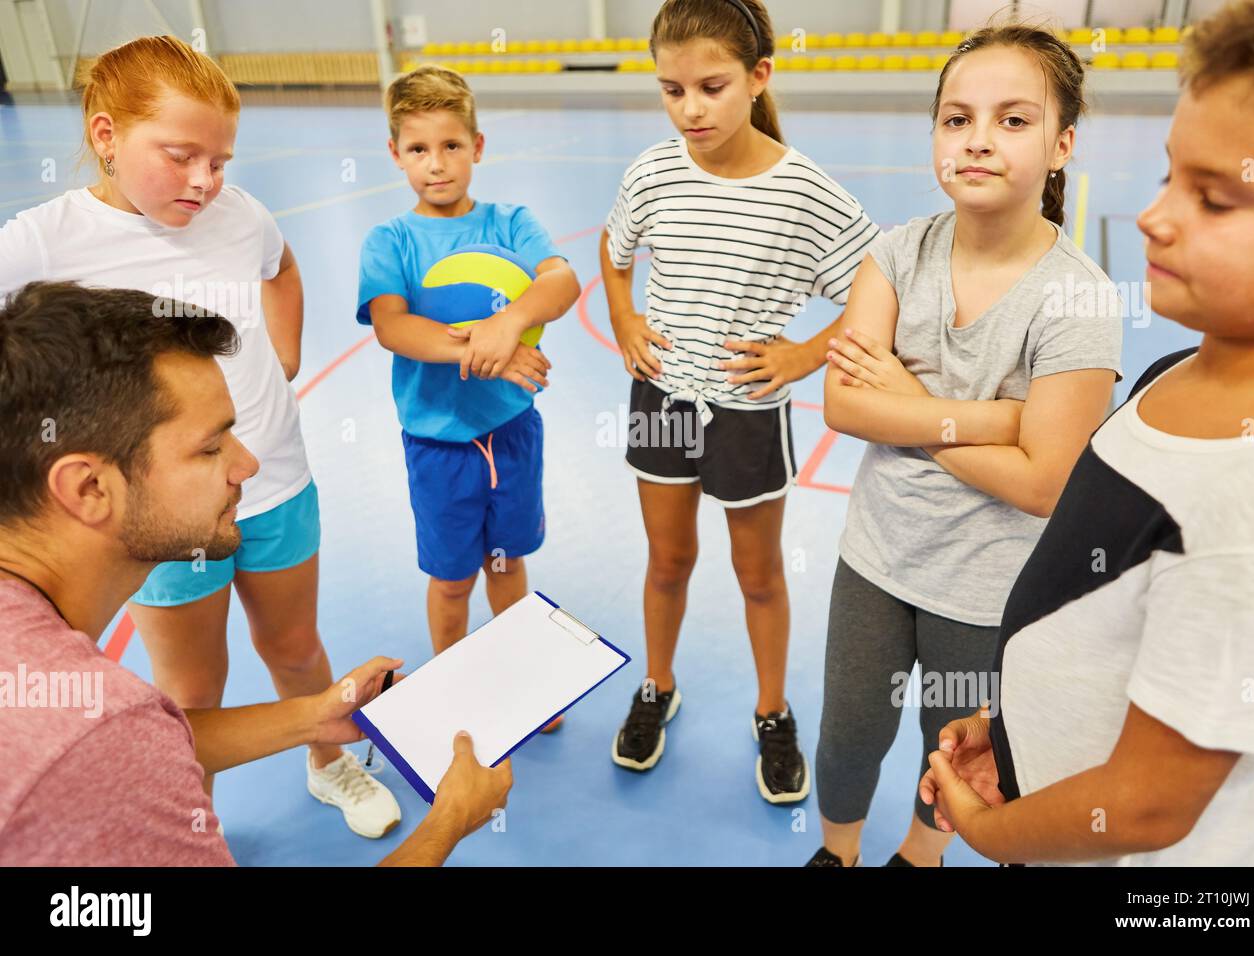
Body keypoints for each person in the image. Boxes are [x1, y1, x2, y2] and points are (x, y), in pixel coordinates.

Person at [919, 0, 1254, 866]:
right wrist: (1015, 736)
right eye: (1171, 177)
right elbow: (1103, 630)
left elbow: (1146, 808)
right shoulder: (1176, 374)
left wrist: (989, 831)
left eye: (1215, 197)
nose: (1154, 218)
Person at [0, 35, 400, 837]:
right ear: (106, 135)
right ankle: (185, 815)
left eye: (219, 160)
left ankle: (329, 760)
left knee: (295, 644)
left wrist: (283, 354)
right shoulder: (42, 244)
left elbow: (280, 267)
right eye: (181, 156)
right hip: (158, 510)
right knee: (191, 685)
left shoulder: (236, 213)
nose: (204, 181)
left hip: (273, 475)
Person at [0, 281, 511, 866]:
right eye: (211, 446)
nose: (247, 463)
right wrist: (448, 821)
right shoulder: (102, 746)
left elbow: (133, 738)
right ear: (89, 488)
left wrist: (310, 717)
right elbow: (113, 746)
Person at [810, 25, 1123, 866]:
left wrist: (906, 400)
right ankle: (835, 853)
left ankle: (921, 855)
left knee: (949, 750)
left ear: (1061, 145)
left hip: (988, 586)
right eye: (957, 119)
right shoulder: (894, 254)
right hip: (876, 558)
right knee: (845, 736)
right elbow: (843, 401)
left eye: (1013, 121)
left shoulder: (1078, 302)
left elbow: (1044, 485)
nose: (978, 139)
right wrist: (995, 418)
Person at [600, 0, 879, 802]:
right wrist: (623, 315)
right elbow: (614, 250)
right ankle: (656, 686)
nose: (690, 109)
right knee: (667, 561)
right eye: (672, 90)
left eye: (711, 86)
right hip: (661, 397)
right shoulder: (653, 172)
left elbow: (878, 291)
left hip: (746, 412)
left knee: (759, 575)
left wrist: (801, 353)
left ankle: (772, 710)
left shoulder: (804, 192)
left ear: (760, 77)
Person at [357, 66, 579, 732]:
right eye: (419, 149)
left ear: (477, 147)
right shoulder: (390, 240)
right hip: (438, 445)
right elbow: (394, 326)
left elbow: (560, 280)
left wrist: (509, 323)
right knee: (453, 579)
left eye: (452, 146)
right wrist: (486, 354)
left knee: (508, 565)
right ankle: (453, 685)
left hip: (510, 433)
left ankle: (522, 681)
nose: (437, 164)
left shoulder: (510, 222)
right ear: (395, 154)